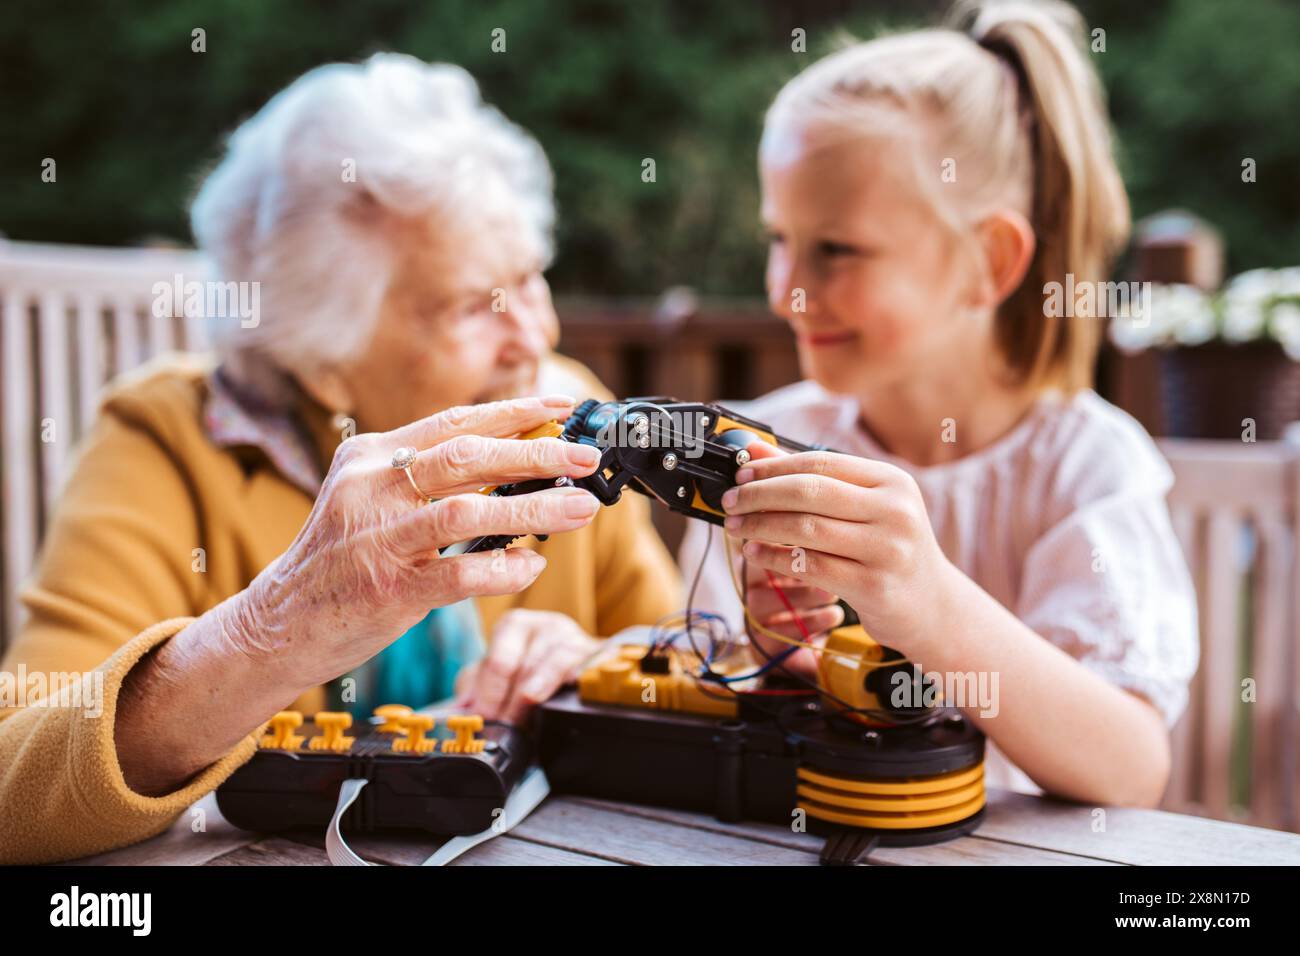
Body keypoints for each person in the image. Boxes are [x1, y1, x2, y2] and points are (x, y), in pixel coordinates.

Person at [0, 54, 679, 865]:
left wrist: (588, 673)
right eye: (475, 305)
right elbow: (16, 790)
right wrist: (266, 632)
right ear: (322, 356)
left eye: (530, 280)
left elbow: (673, 656)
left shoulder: (562, 408)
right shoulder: (165, 438)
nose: (537, 336)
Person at [680, 0, 1198, 807]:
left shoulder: (1088, 464)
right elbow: (721, 707)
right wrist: (785, 652)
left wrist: (926, 604)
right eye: (779, 239)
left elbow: (1129, 766)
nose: (788, 292)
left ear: (986, 262)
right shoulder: (765, 444)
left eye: (837, 249)